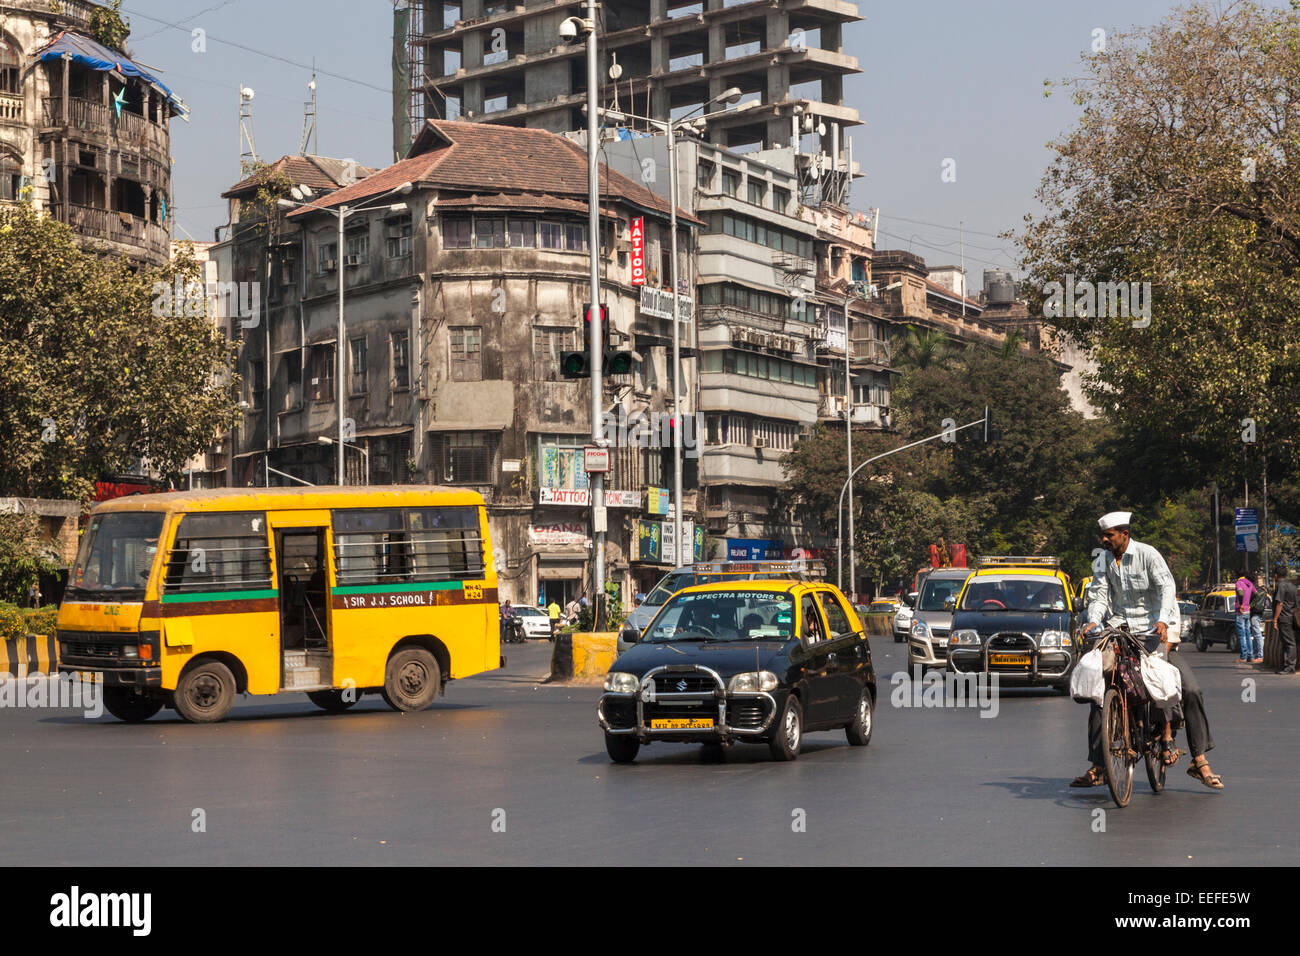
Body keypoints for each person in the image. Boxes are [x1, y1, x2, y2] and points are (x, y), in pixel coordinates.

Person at [1071, 511, 1224, 790]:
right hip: (1120, 631)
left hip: (1153, 633)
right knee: (1099, 690)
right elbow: (1099, 595)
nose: (1104, 540)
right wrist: (1093, 619)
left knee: (1188, 689)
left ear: (1124, 534)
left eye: (1109, 535)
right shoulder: (1103, 560)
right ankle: (1099, 766)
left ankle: (1198, 760)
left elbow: (1167, 588)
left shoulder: (1148, 555)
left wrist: (1163, 621)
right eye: (1103, 536)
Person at [1270, 564, 1297, 675]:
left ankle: (1290, 667)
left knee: (1289, 643)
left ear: (1276, 575)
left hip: (1284, 618)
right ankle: (1286, 665)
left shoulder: (1281, 586)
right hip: (1291, 616)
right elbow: (1296, 604)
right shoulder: (1292, 586)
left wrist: (1275, 619)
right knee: (1287, 642)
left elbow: (1279, 603)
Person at [1234, 571, 1256, 664]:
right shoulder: (1249, 583)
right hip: (1248, 611)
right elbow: (1256, 594)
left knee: (1242, 635)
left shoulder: (1239, 583)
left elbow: (1240, 593)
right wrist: (1251, 604)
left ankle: (1243, 657)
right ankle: (1250, 656)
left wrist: (1241, 605)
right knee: (1248, 634)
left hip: (1241, 611)